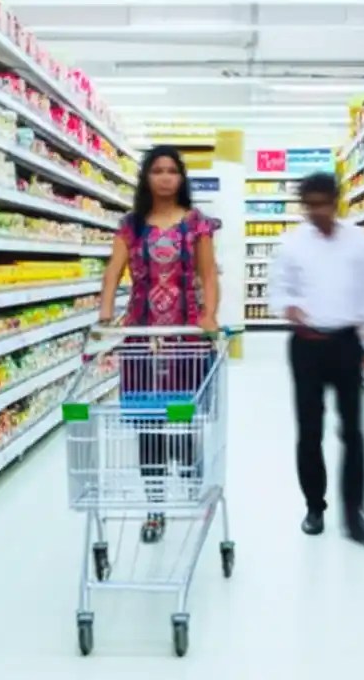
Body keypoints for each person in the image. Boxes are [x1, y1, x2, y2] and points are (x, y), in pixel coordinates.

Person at [98, 145, 220, 543]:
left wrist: (209, 317)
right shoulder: (131, 225)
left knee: (181, 422)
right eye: (157, 170)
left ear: (181, 178)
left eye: (173, 171)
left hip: (185, 340)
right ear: (146, 177)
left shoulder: (195, 223)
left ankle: (187, 481)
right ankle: (155, 507)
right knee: (148, 427)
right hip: (141, 339)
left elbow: (208, 276)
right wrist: (104, 318)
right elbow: (113, 272)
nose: (166, 177)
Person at [268, 172, 364, 547]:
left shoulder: (358, 241)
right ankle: (314, 507)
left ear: (336, 201)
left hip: (347, 343)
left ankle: (355, 516)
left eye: (323, 203)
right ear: (303, 205)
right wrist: (289, 307)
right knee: (309, 430)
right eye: (311, 205)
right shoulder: (290, 244)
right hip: (307, 345)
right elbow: (278, 292)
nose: (317, 211)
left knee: (353, 431)